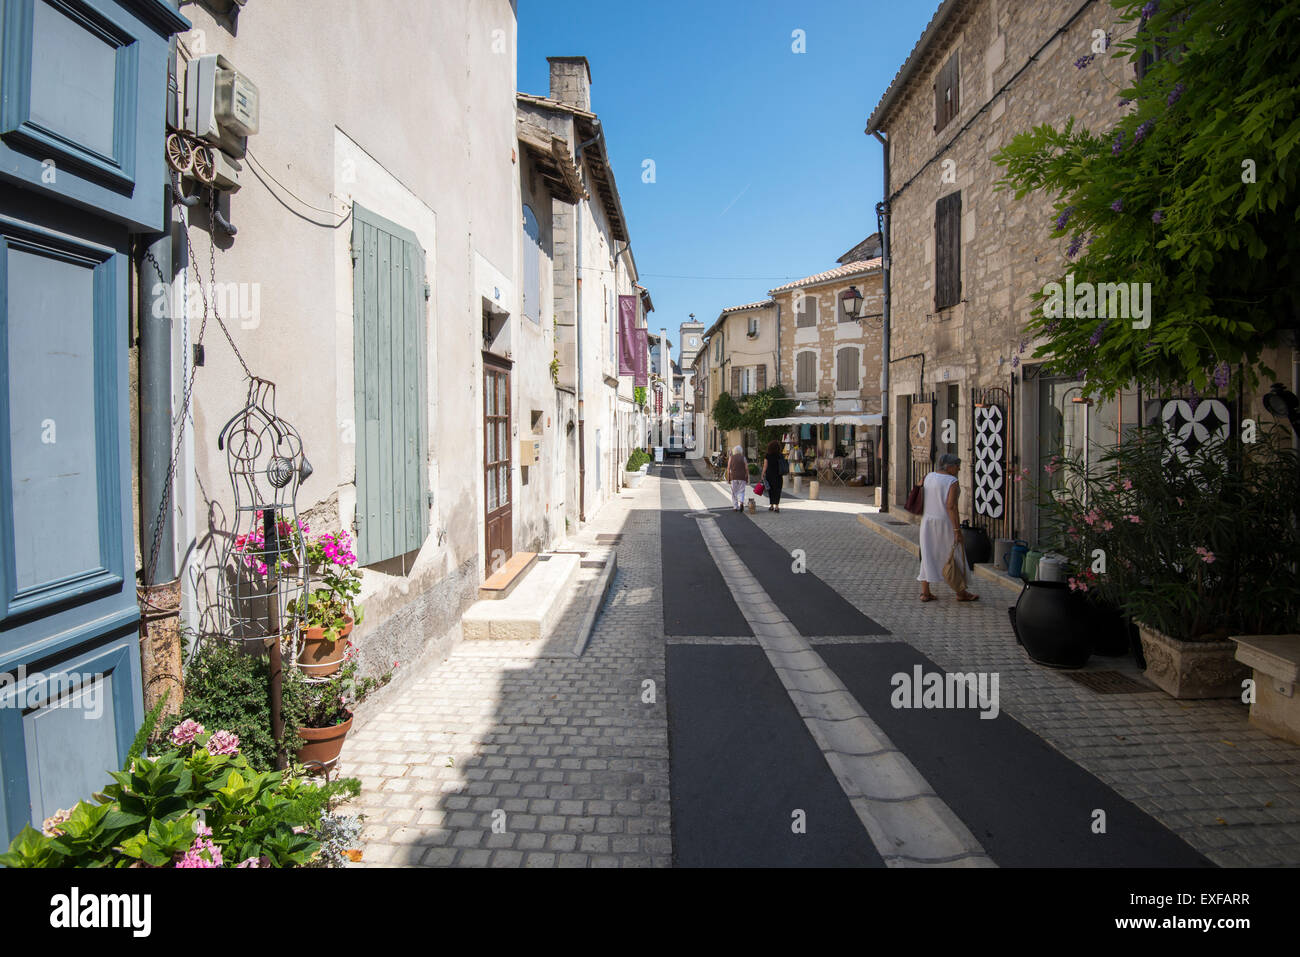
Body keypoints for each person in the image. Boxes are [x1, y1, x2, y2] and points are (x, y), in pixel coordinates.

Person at [918, 453, 979, 603]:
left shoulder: (928, 477)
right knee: (955, 554)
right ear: (950, 466)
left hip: (927, 522)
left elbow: (919, 489)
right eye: (957, 465)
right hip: (944, 523)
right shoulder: (952, 481)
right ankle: (961, 592)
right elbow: (951, 506)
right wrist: (957, 530)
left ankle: (925, 592)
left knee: (927, 554)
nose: (958, 468)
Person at [759, 439, 785, 513]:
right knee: (777, 490)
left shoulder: (767, 455)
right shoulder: (780, 455)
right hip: (778, 475)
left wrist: (762, 474)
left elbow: (765, 466)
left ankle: (771, 505)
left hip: (770, 475)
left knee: (771, 490)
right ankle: (777, 506)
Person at [726, 445, 748, 512]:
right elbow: (746, 468)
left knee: (734, 492)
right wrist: (747, 476)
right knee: (742, 491)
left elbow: (728, 468)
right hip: (742, 477)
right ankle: (741, 502)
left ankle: (735, 507)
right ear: (741, 451)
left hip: (734, 477)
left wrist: (728, 478)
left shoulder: (731, 458)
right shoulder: (743, 458)